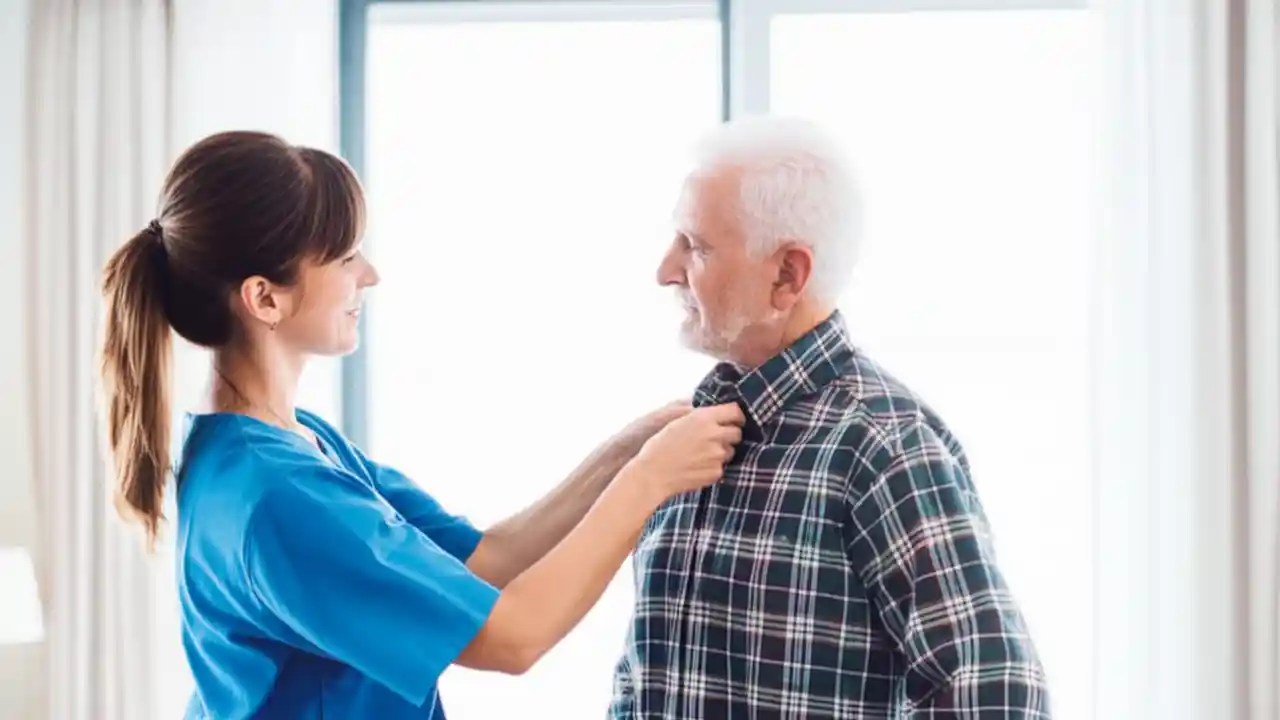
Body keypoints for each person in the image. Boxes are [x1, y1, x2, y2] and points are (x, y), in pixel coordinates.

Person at [96, 130, 745, 720]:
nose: (369, 276)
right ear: (266, 297)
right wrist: (649, 481)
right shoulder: (277, 495)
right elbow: (512, 637)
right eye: (346, 258)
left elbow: (486, 558)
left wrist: (624, 453)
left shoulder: (286, 441)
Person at [609, 116, 1049, 718]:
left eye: (698, 246)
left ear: (788, 275)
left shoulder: (886, 445)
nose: (666, 269)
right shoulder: (685, 442)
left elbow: (994, 695)